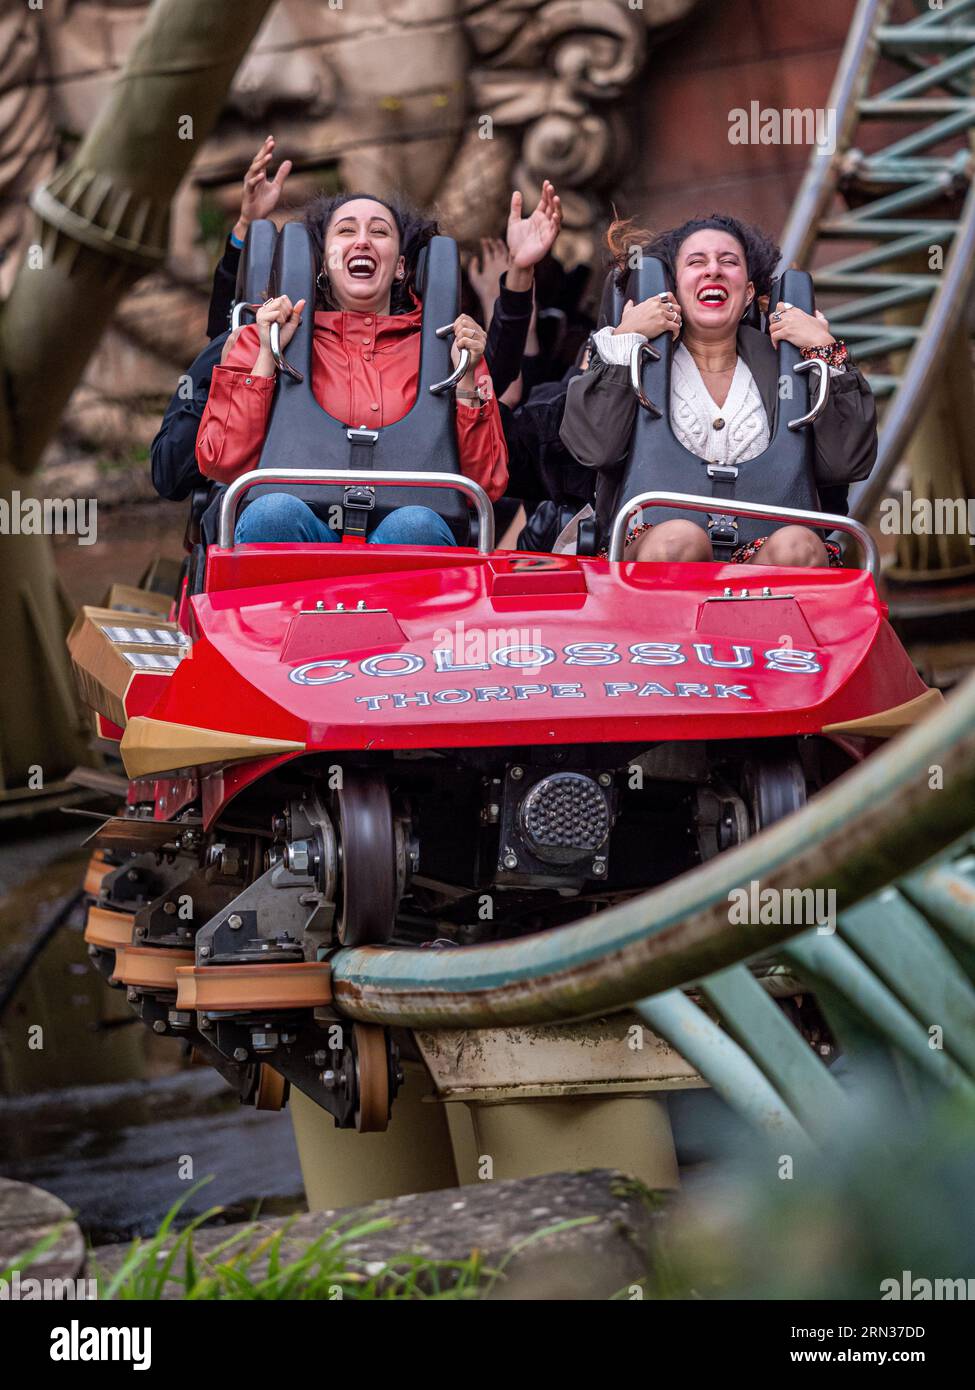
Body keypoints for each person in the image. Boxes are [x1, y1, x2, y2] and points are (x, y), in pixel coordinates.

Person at [559, 213, 878, 565]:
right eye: (696, 262)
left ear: (748, 293)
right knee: (680, 540)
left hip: (765, 553)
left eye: (729, 262)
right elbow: (595, 449)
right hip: (654, 546)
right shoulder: (637, 358)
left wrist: (827, 353)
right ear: (673, 289)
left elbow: (846, 463)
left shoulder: (788, 365)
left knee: (798, 547)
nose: (713, 270)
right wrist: (626, 340)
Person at [196, 191, 511, 546]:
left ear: (401, 267)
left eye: (379, 232)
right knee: (274, 513)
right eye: (346, 231)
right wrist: (267, 356)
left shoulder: (450, 349)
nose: (362, 240)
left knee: (416, 525)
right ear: (323, 263)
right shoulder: (263, 338)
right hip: (292, 545)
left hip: (403, 551)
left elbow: (486, 484)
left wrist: (466, 381)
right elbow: (219, 461)